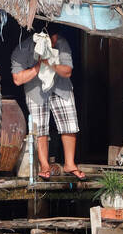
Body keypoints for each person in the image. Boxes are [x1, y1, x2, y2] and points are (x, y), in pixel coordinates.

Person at [10, 27, 84, 179]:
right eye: (52, 37)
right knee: (40, 127)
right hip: (36, 91)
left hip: (60, 87)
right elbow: (17, 79)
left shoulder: (61, 43)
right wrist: (38, 66)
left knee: (69, 123)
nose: (55, 40)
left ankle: (70, 164)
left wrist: (51, 64)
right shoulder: (23, 48)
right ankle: (44, 165)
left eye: (55, 37)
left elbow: (68, 71)